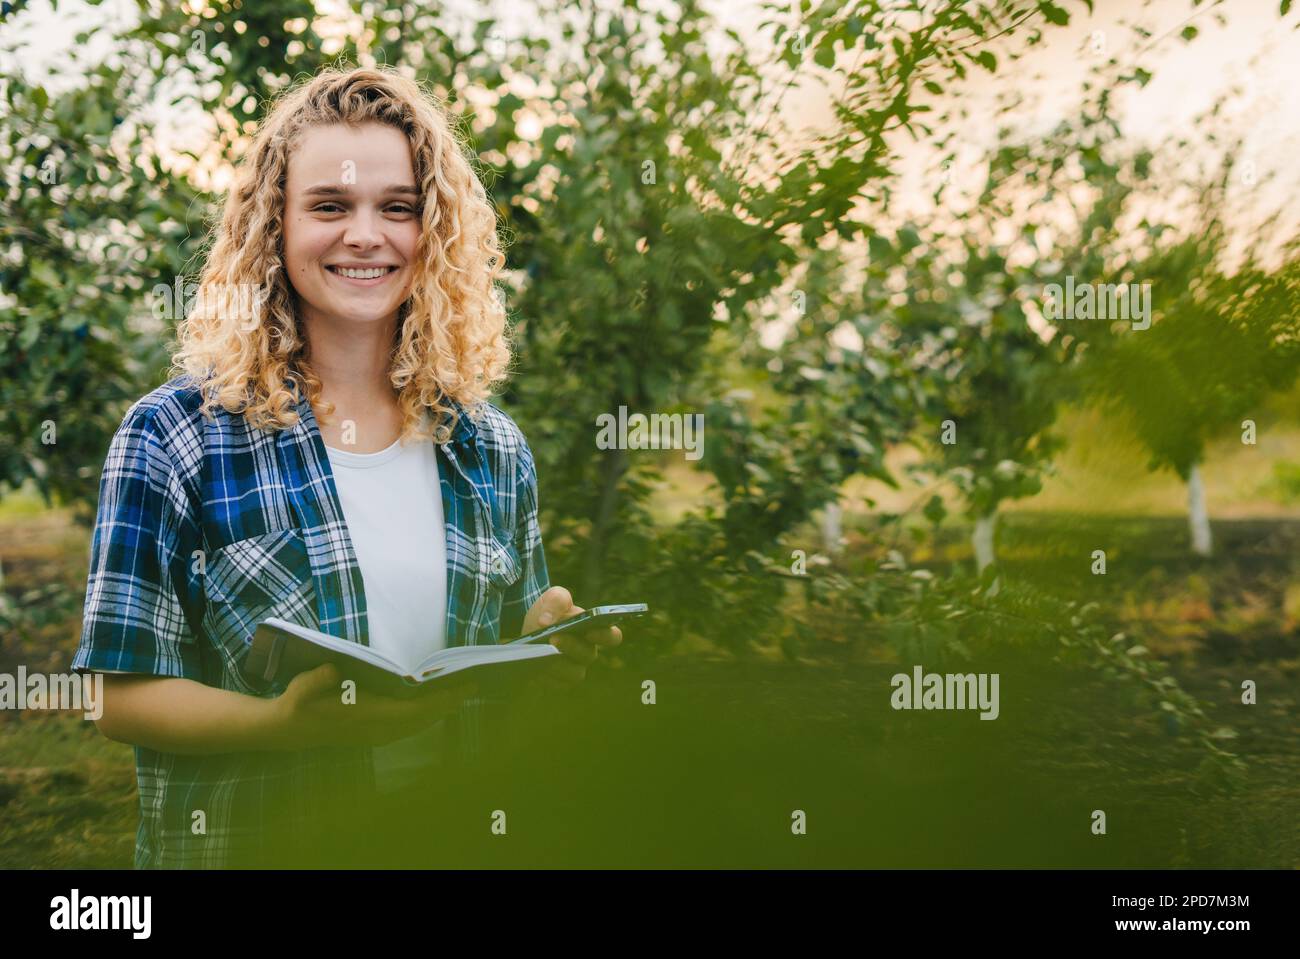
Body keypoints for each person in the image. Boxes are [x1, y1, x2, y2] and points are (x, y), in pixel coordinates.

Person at [71, 65, 621, 869]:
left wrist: (541, 653)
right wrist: (284, 723)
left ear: (431, 231)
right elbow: (117, 697)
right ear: (275, 228)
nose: (366, 234)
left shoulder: (491, 449)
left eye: (397, 208)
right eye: (330, 206)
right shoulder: (174, 435)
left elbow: (494, 684)